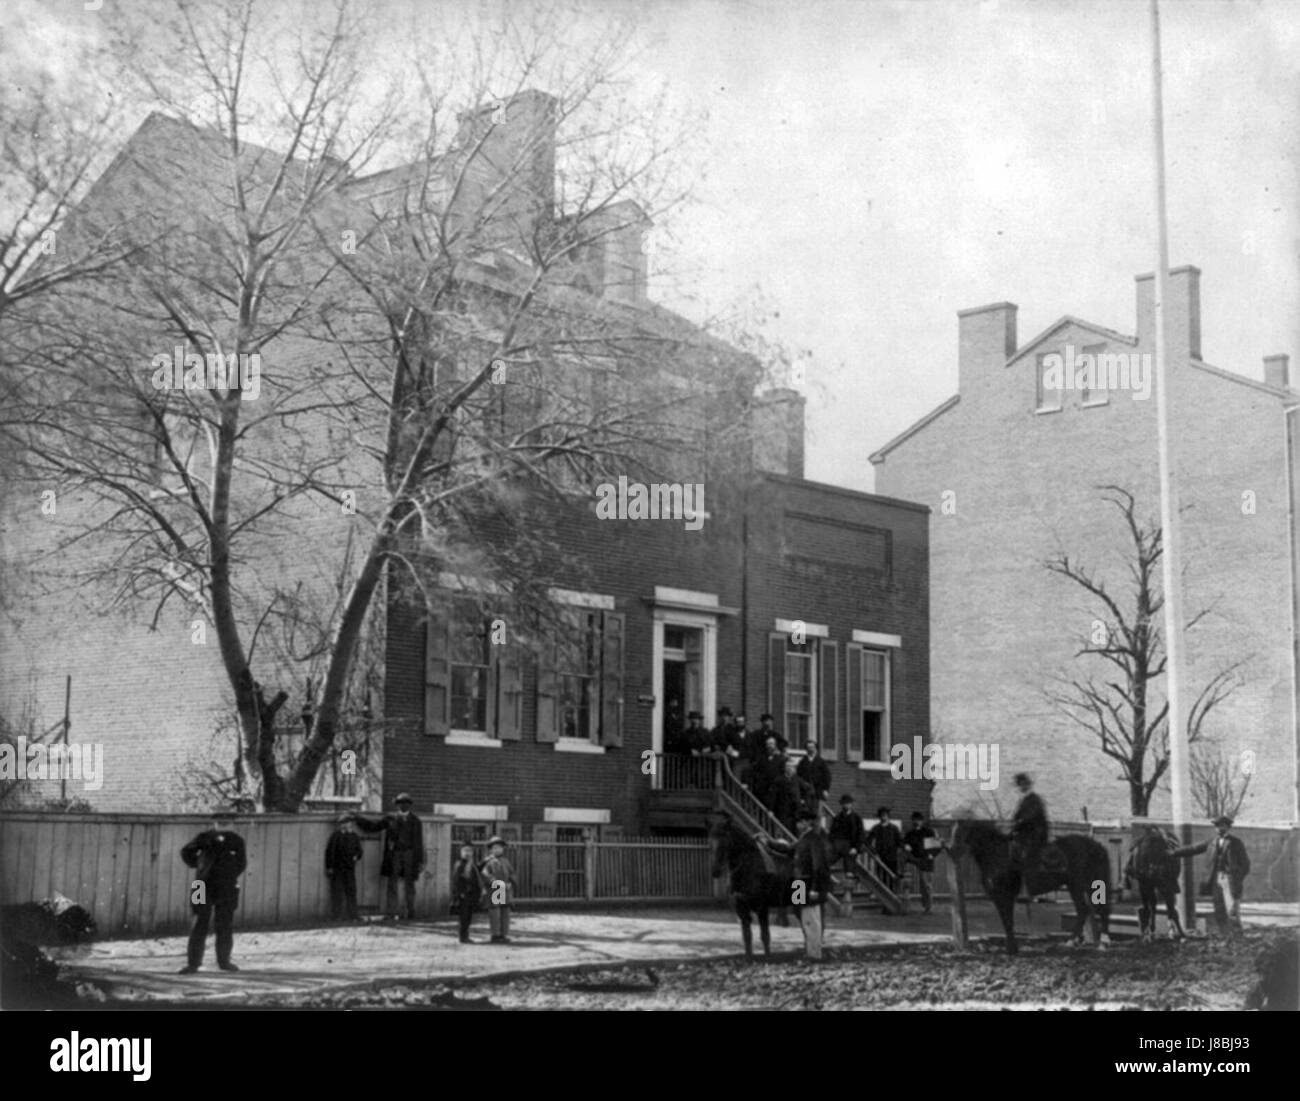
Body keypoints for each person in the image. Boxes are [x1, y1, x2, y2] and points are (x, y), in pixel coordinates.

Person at [179, 807, 247, 974]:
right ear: (214, 823)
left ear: (232, 824)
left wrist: (229, 875)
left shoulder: (237, 841)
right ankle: (193, 963)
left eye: (227, 823)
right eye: (220, 822)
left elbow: (241, 864)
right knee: (198, 922)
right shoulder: (203, 838)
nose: (223, 825)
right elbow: (186, 852)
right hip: (200, 885)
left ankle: (224, 962)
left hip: (226, 885)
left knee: (225, 923)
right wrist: (200, 866)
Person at [768, 808, 833, 960]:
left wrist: (816, 888)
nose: (797, 825)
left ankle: (814, 953)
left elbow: (818, 865)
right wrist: (769, 843)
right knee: (801, 916)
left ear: (806, 823)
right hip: (799, 883)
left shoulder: (813, 839)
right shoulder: (803, 838)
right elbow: (790, 849)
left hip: (808, 883)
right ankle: (809, 948)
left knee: (811, 918)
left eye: (799, 822)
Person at [1174, 815, 1251, 938]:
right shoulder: (1212, 842)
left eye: (1223, 825)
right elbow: (1194, 848)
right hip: (1215, 879)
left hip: (1229, 880)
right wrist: (1174, 853)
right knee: (1219, 910)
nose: (1220, 828)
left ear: (1228, 827)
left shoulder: (1236, 842)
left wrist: (1236, 878)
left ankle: (1238, 938)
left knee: (1232, 910)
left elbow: (1245, 864)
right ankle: (1224, 935)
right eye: (1217, 826)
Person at [355, 793, 425, 921]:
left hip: (410, 855)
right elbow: (373, 827)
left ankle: (410, 912)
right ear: (397, 805)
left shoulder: (416, 821)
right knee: (392, 883)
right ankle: (391, 913)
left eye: (406, 803)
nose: (403, 806)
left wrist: (420, 861)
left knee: (409, 884)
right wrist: (357, 818)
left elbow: (419, 843)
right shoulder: (390, 818)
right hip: (394, 854)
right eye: (400, 803)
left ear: (410, 805)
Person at [1009, 772, 1063, 876]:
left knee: (1030, 851)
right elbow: (1017, 816)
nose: (1021, 787)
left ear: (1027, 785)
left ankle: (1035, 872)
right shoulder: (1024, 800)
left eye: (1023, 784)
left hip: (1037, 832)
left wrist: (1020, 822)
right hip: (1026, 833)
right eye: (1019, 785)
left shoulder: (1035, 799)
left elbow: (1030, 816)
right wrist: (1015, 822)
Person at [324, 815, 363, 922]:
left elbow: (359, 851)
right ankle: (337, 915)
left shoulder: (354, 836)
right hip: (338, 869)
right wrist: (330, 867)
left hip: (350, 868)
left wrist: (356, 856)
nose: (347, 826)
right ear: (341, 825)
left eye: (349, 824)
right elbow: (330, 852)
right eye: (344, 824)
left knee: (351, 891)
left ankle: (353, 915)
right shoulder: (336, 836)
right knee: (337, 892)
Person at [480, 836, 517, 943]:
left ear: (503, 849)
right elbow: (485, 874)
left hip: (506, 889)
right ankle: (495, 935)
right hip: (496, 889)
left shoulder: (506, 861)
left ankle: (503, 934)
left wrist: (511, 882)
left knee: (505, 912)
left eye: (499, 848)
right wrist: (495, 882)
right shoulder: (489, 861)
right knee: (495, 913)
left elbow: (512, 872)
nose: (497, 850)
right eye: (495, 848)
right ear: (491, 850)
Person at [902, 810, 938, 914]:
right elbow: (903, 842)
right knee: (918, 885)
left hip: (926, 861)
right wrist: (905, 845)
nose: (916, 822)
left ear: (922, 821)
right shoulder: (910, 834)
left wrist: (932, 855)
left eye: (918, 820)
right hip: (915, 861)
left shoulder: (928, 832)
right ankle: (923, 906)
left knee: (926, 885)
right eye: (914, 820)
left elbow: (936, 846)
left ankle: (928, 907)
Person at [828, 793, 868, 878]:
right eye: (844, 803)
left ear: (851, 805)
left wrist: (856, 848)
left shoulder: (856, 818)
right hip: (838, 845)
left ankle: (848, 887)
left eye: (848, 803)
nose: (846, 805)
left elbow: (861, 834)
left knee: (849, 870)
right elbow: (832, 833)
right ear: (841, 804)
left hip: (850, 846)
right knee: (825, 862)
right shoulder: (837, 818)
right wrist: (833, 845)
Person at [770, 758, 814, 834]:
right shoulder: (779, 780)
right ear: (784, 768)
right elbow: (773, 795)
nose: (789, 768)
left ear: (794, 768)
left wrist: (804, 800)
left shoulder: (798, 779)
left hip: (795, 810)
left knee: (795, 830)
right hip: (783, 809)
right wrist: (770, 809)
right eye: (787, 766)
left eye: (791, 767)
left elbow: (808, 789)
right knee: (783, 828)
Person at [450, 843, 483, 943]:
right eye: (465, 851)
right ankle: (463, 936)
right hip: (463, 895)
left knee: (468, 916)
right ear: (461, 852)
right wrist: (460, 893)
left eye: (470, 851)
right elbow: (456, 880)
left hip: (471, 894)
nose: (467, 853)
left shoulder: (471, 864)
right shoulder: (459, 864)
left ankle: (465, 935)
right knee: (464, 917)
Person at [867, 807, 904, 894]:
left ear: (888, 816)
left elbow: (900, 842)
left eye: (885, 815)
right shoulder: (876, 828)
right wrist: (874, 853)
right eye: (882, 816)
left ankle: (893, 897)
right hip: (880, 858)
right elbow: (867, 842)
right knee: (881, 878)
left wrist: (905, 847)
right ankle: (883, 899)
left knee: (892, 878)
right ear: (879, 817)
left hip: (892, 858)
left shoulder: (894, 828)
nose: (883, 817)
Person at [751, 735, 785, 807]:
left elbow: (782, 773)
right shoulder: (761, 758)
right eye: (768, 744)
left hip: (776, 790)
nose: (770, 746)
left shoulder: (781, 759)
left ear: (775, 745)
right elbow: (756, 771)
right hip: (762, 789)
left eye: (771, 744)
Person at [796, 740, 831, 806]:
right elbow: (798, 776)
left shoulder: (821, 762)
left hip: (818, 791)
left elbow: (827, 776)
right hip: (806, 792)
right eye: (808, 747)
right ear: (806, 749)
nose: (810, 749)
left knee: (818, 812)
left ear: (815, 748)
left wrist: (826, 789)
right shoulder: (802, 762)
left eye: (812, 747)